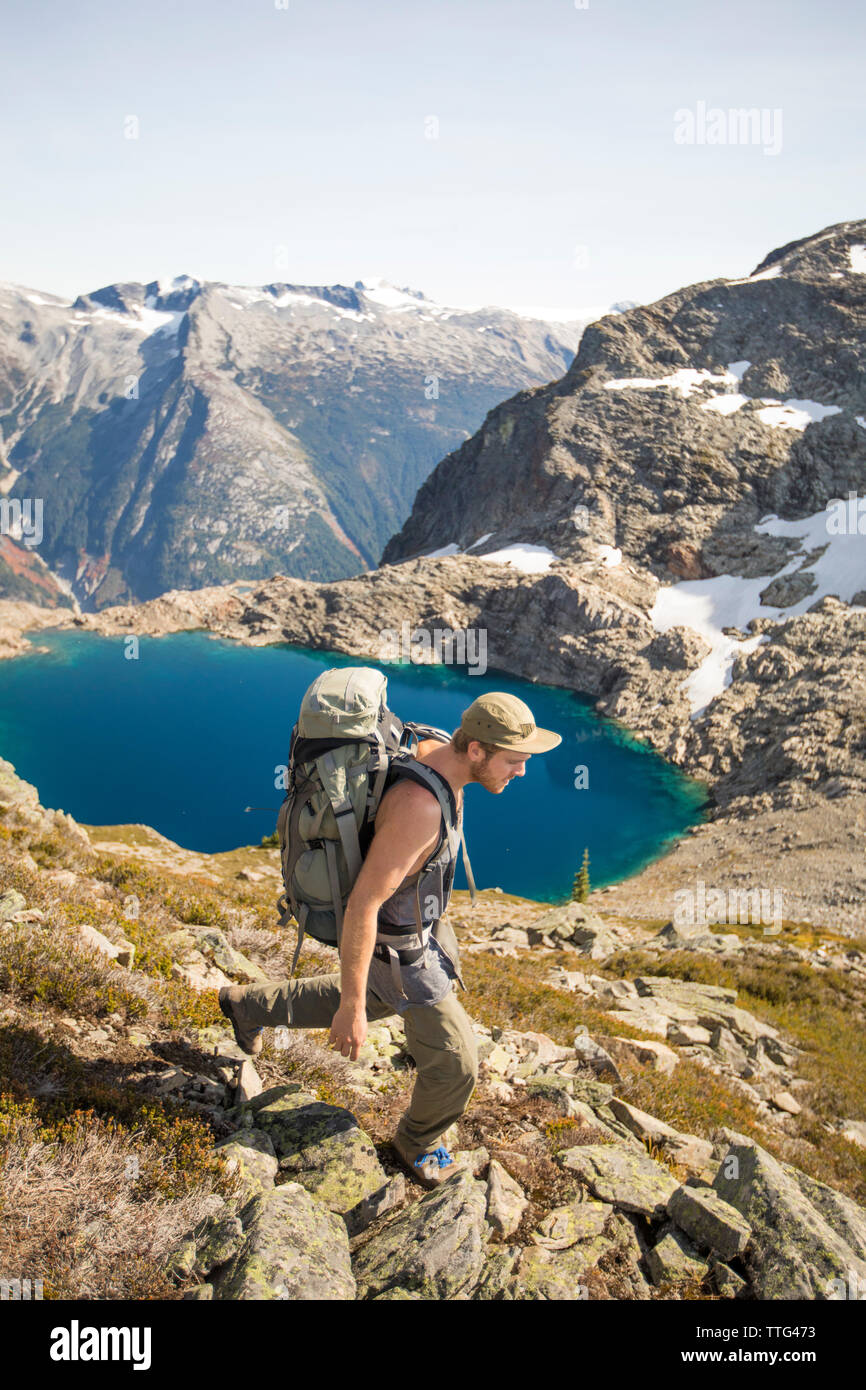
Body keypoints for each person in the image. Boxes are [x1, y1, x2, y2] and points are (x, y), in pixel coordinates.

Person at [219, 691, 561, 1188]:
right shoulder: (420, 808)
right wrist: (351, 1008)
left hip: (415, 934)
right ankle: (415, 1141)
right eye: (515, 761)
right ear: (476, 751)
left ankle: (245, 1005)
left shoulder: (438, 746)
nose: (523, 772)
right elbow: (363, 904)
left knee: (378, 1001)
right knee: (456, 1063)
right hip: (399, 952)